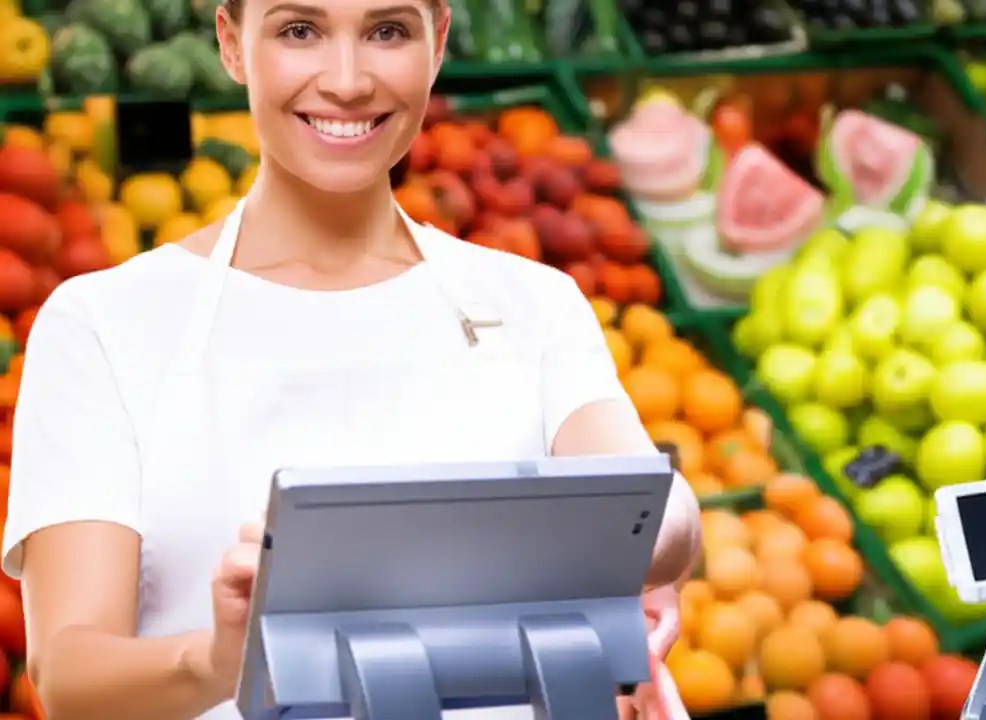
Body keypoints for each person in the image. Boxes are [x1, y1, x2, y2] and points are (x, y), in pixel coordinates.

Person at [1, 0, 701, 717]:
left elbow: (655, 504)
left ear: (438, 46)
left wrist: (640, 551)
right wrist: (217, 659)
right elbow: (66, 675)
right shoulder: (102, 324)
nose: (346, 80)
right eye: (299, 31)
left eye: (387, 31)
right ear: (233, 44)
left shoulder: (533, 305)